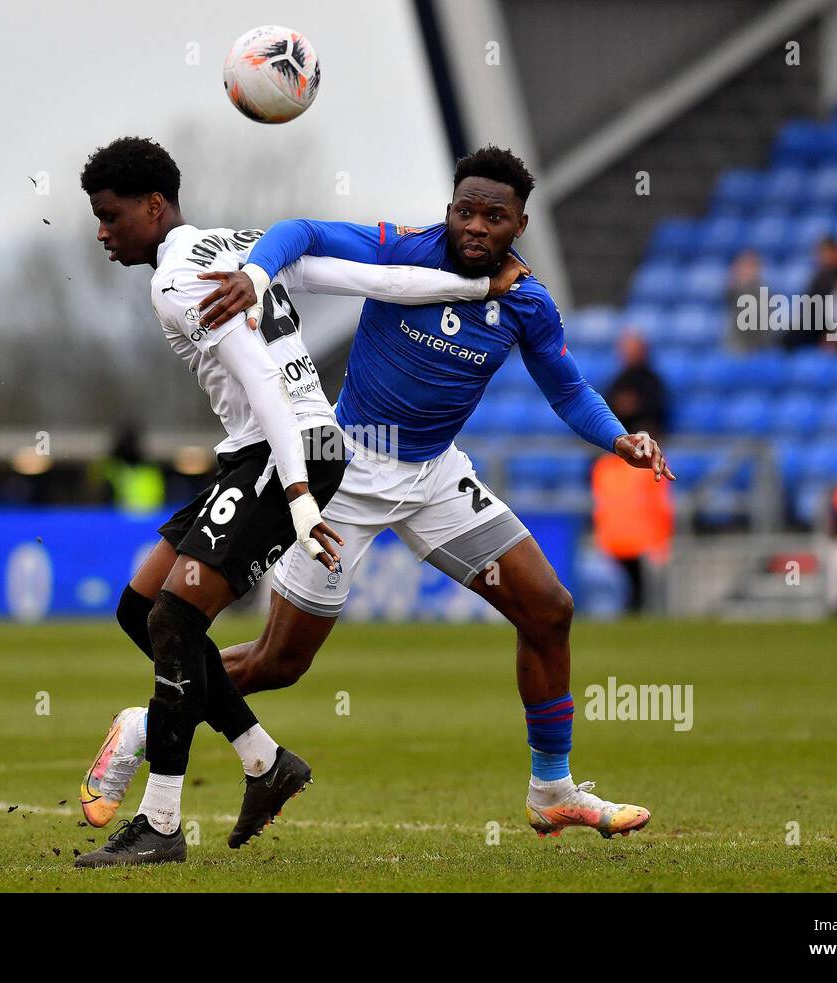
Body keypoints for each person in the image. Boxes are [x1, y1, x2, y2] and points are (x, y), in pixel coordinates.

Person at [195, 146, 673, 840]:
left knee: (548, 609)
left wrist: (620, 438)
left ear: (520, 223)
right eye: (465, 210)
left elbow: (567, 389)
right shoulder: (402, 251)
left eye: (494, 216)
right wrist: (254, 271)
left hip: (433, 475)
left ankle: (552, 788)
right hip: (347, 470)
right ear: (449, 209)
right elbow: (300, 230)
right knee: (279, 662)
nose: (475, 226)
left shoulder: (527, 303)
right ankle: (148, 722)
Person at [73, 136, 516, 867]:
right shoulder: (240, 245)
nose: (101, 231)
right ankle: (263, 758)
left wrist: (302, 498)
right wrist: (473, 289)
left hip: (287, 452)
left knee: (174, 616)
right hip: (265, 452)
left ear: (154, 207)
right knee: (140, 608)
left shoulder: (175, 279)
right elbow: (369, 277)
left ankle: (160, 823)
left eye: (110, 215)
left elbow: (261, 378)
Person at [591, 454, 673, 612]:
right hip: (636, 540)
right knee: (637, 592)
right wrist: (662, 540)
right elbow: (660, 505)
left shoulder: (603, 466)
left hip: (619, 539)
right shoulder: (646, 464)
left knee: (634, 590)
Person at [606, 330, 668, 434]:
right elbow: (607, 404)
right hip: (619, 436)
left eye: (633, 349)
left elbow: (658, 409)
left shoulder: (653, 380)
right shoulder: (619, 379)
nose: (629, 353)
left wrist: (634, 406)